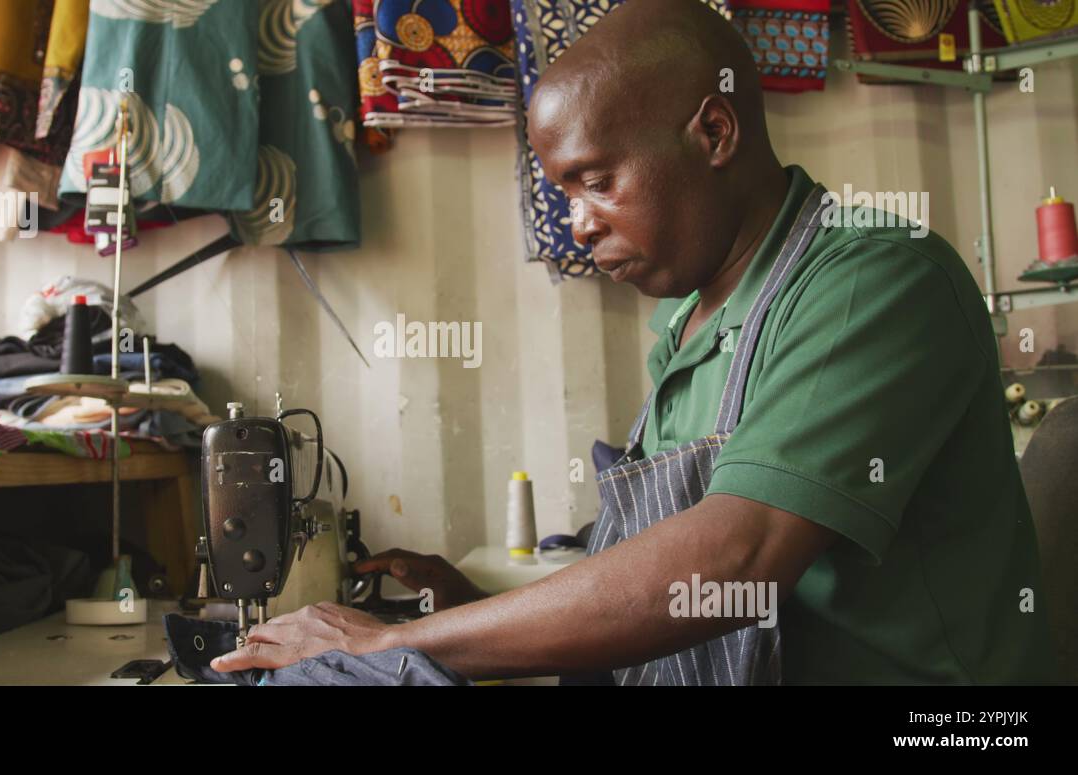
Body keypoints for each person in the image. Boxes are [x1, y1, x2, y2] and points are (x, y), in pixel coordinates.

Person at [212, 0, 1054, 684]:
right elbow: (657, 571)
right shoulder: (688, 326)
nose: (577, 224)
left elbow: (736, 558)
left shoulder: (874, 282)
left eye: (596, 180)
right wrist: (467, 608)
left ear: (714, 132)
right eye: (563, 192)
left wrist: (382, 646)